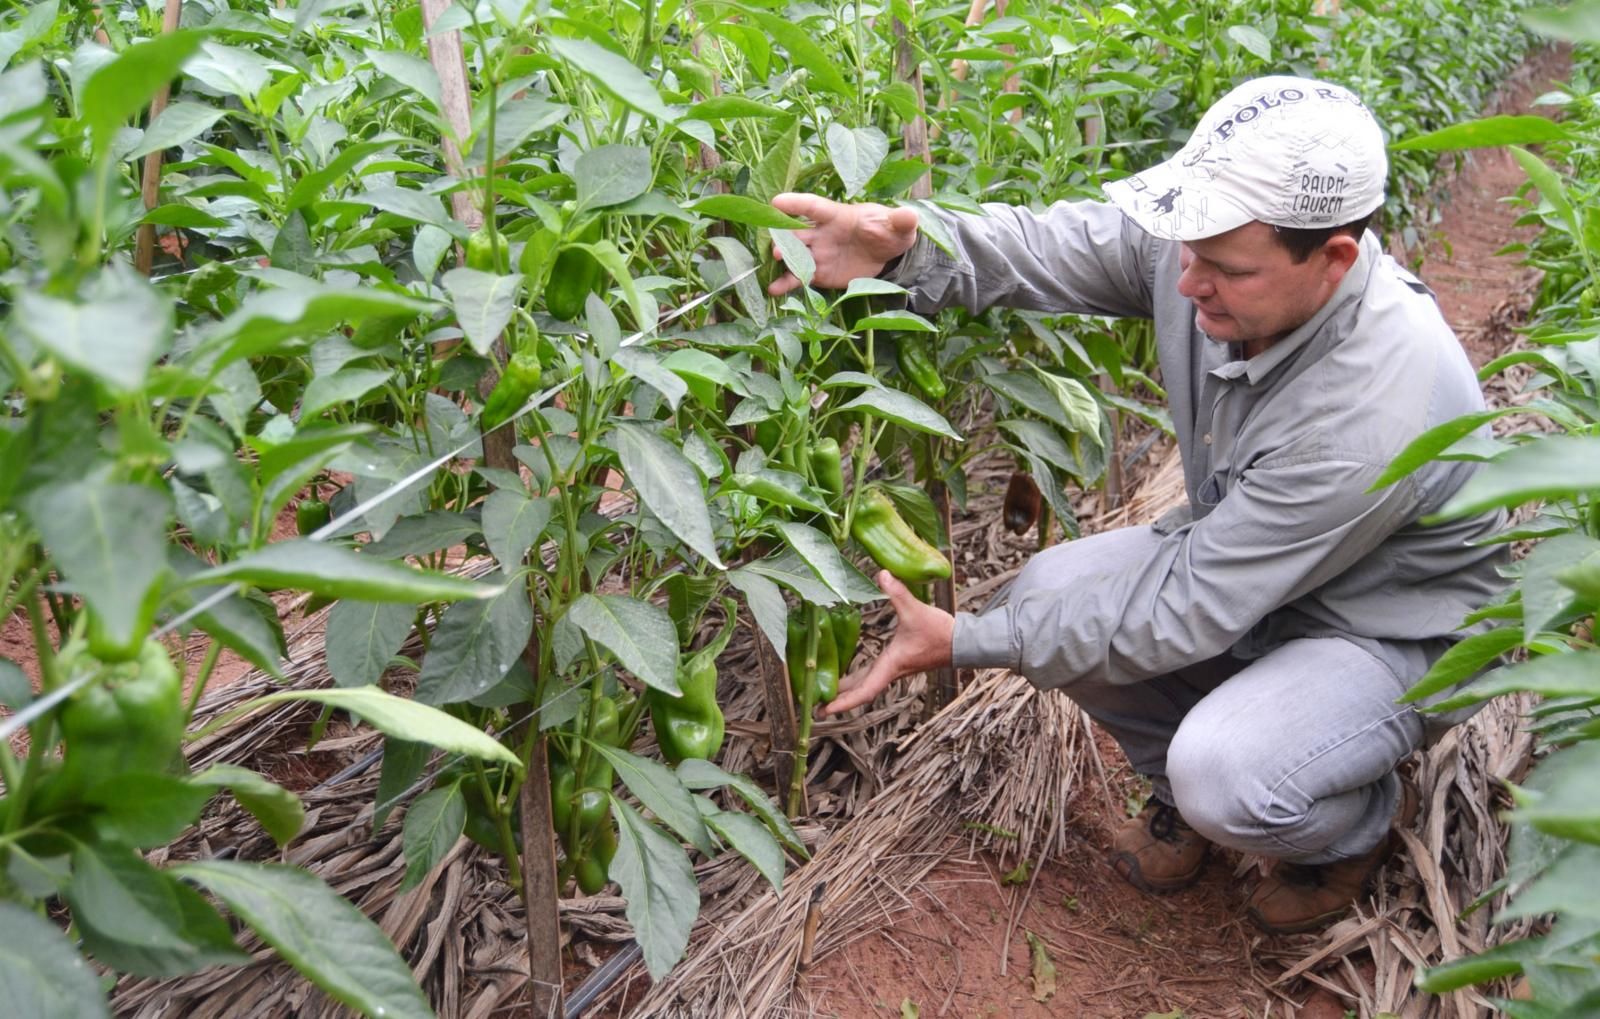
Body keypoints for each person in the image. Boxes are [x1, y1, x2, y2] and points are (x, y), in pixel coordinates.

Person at [767, 76, 1506, 934]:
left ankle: (1353, 824)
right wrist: (907, 250)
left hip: (1384, 631)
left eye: (1225, 270)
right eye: (1186, 250)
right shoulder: (1215, 247)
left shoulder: (1373, 413)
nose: (1187, 282)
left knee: (1225, 773)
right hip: (1255, 573)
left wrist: (967, 640)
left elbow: (1188, 606)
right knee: (1053, 597)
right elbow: (1056, 246)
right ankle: (1183, 795)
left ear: (1334, 259)